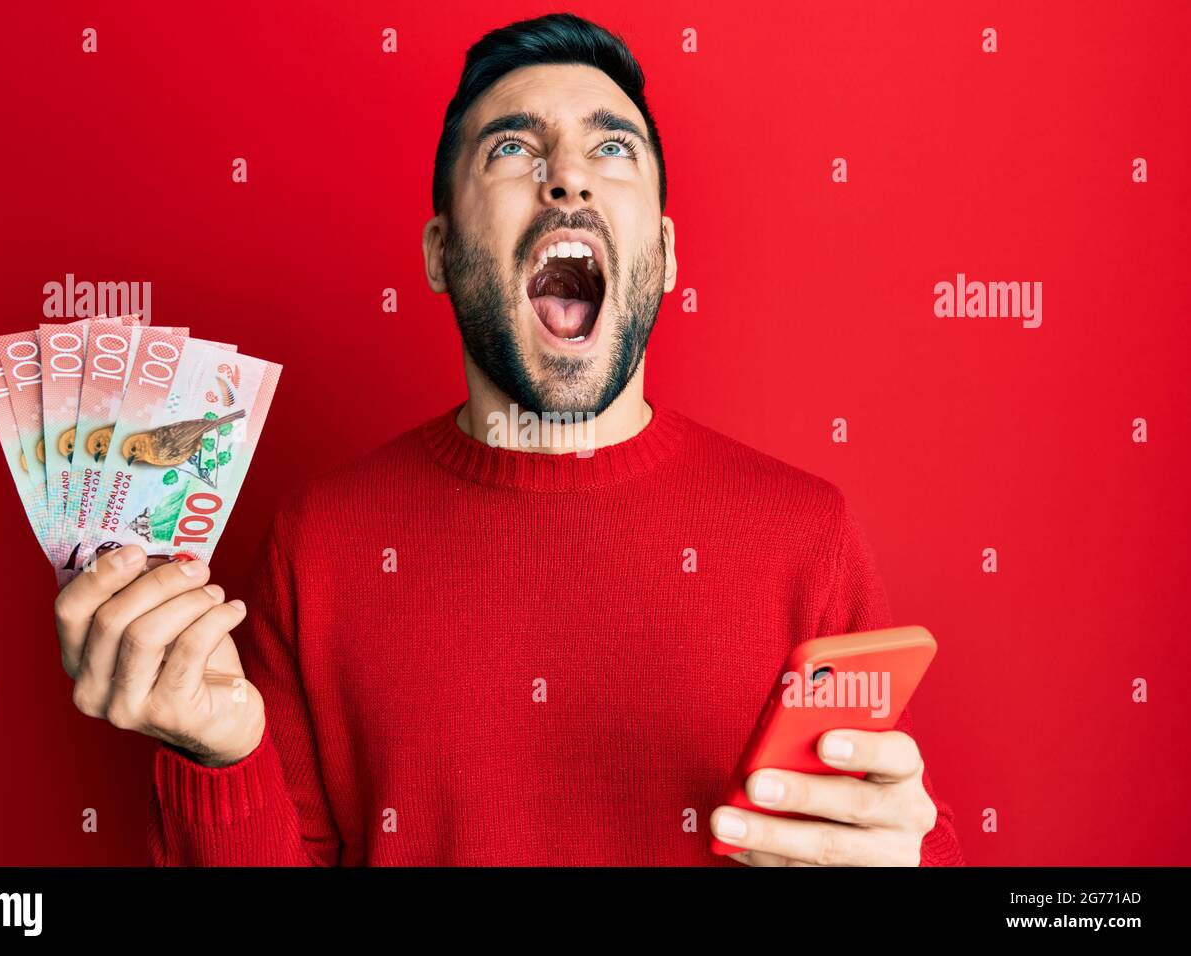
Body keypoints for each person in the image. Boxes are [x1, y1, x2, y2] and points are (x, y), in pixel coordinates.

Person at [53, 12, 963, 866]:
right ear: (440, 253)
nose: (566, 177)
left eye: (612, 147)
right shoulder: (318, 542)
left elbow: (885, 825)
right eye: (513, 148)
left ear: (666, 254)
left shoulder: (806, 534)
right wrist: (218, 761)